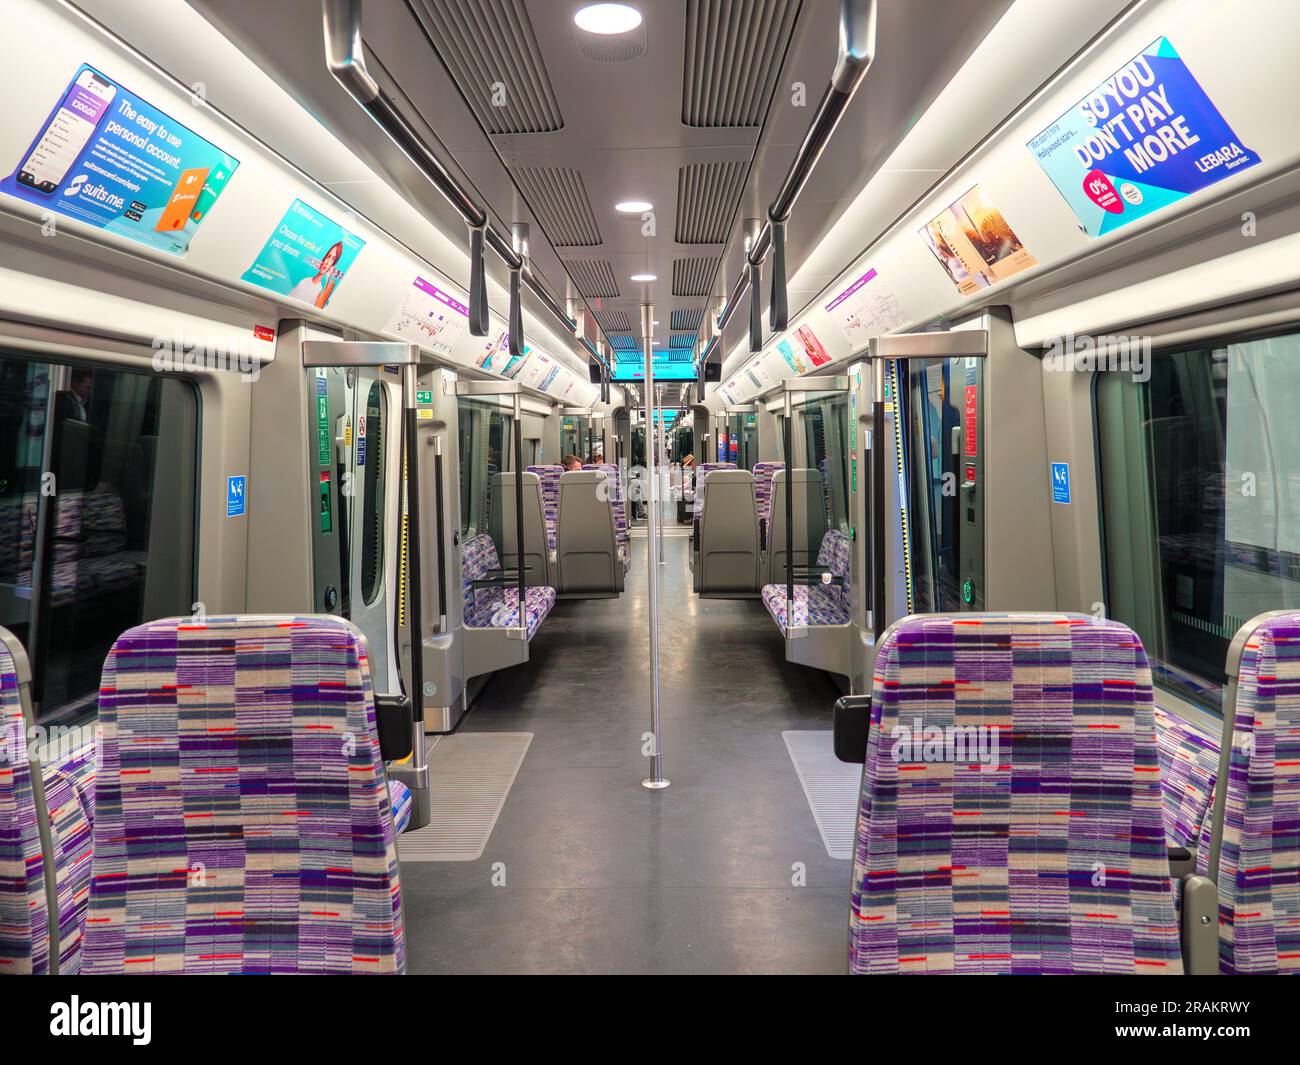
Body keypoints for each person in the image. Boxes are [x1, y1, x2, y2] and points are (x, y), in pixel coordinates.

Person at [287, 240, 344, 308]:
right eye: (328, 256)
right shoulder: (304, 281)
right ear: (324, 258)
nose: (328, 262)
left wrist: (328, 279)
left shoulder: (320, 291)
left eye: (333, 259)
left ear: (333, 265)